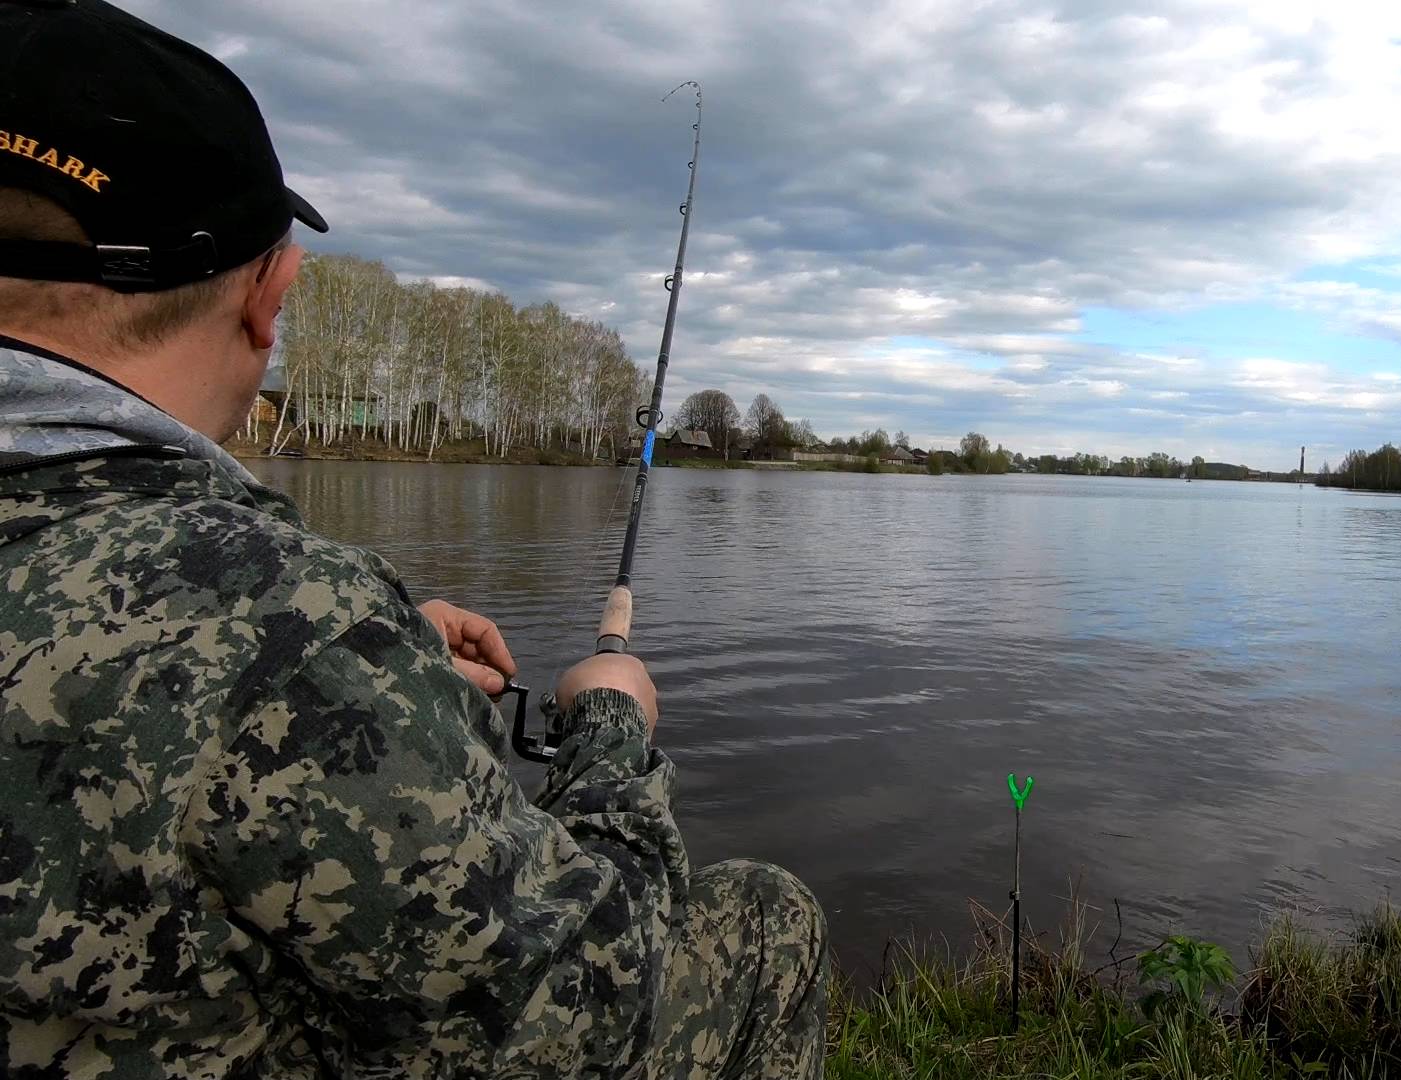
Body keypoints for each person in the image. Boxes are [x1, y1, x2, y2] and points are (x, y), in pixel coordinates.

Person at [0, 2, 825, 1077]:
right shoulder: (282, 620)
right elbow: (592, 1013)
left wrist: (376, 660)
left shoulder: (299, 631)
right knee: (767, 914)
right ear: (269, 296)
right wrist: (613, 728)